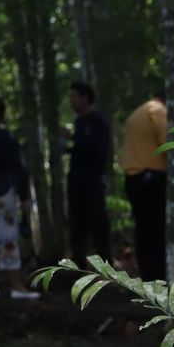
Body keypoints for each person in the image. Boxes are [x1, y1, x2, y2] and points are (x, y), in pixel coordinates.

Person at [0, 96, 39, 300]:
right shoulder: (6, 138)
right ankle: (15, 286)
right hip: (3, 192)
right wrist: (24, 196)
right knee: (8, 237)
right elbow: (18, 168)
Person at [119, 95, 168, 280]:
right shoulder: (157, 110)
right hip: (151, 177)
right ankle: (159, 278)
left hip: (133, 178)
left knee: (143, 230)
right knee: (157, 231)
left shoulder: (139, 112)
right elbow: (169, 144)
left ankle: (148, 278)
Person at [67, 81, 112, 266]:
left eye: (74, 97)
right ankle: (77, 267)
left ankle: (107, 270)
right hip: (76, 183)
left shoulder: (98, 122)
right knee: (77, 227)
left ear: (85, 97)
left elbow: (99, 150)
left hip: (92, 184)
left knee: (98, 227)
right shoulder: (79, 122)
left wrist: (77, 145)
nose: (71, 101)